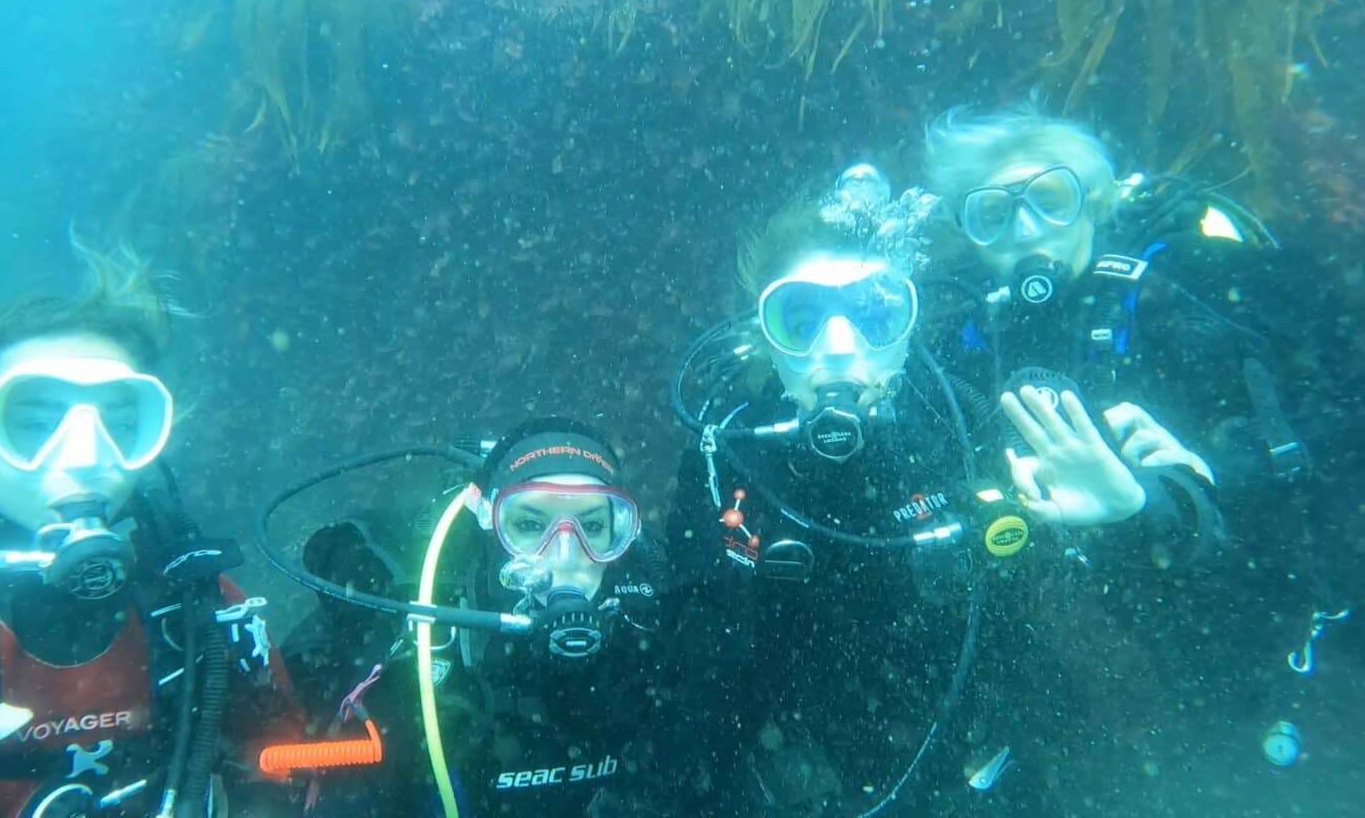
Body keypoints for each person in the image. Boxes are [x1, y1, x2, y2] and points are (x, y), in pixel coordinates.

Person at [658, 162, 1233, 816]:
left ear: (909, 324)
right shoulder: (726, 453)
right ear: (764, 337)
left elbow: (1192, 586)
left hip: (980, 775)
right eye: (800, 317)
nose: (839, 347)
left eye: (874, 312)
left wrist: (1140, 509)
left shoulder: (965, 423)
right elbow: (682, 646)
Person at [0, 248, 303, 817]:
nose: (85, 456)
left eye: (120, 423)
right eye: (36, 423)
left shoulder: (197, 606)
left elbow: (278, 769)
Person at [921, 106, 1298, 557]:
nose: (1025, 229)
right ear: (968, 232)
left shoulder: (1173, 287)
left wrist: (1208, 469)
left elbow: (1305, 428)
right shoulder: (952, 323)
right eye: (993, 213)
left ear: (1094, 203)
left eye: (1050, 201)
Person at [280, 417, 667, 818]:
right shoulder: (422, 624)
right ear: (488, 520)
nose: (566, 557)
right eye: (530, 524)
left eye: (593, 525)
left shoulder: (651, 625)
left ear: (623, 533)